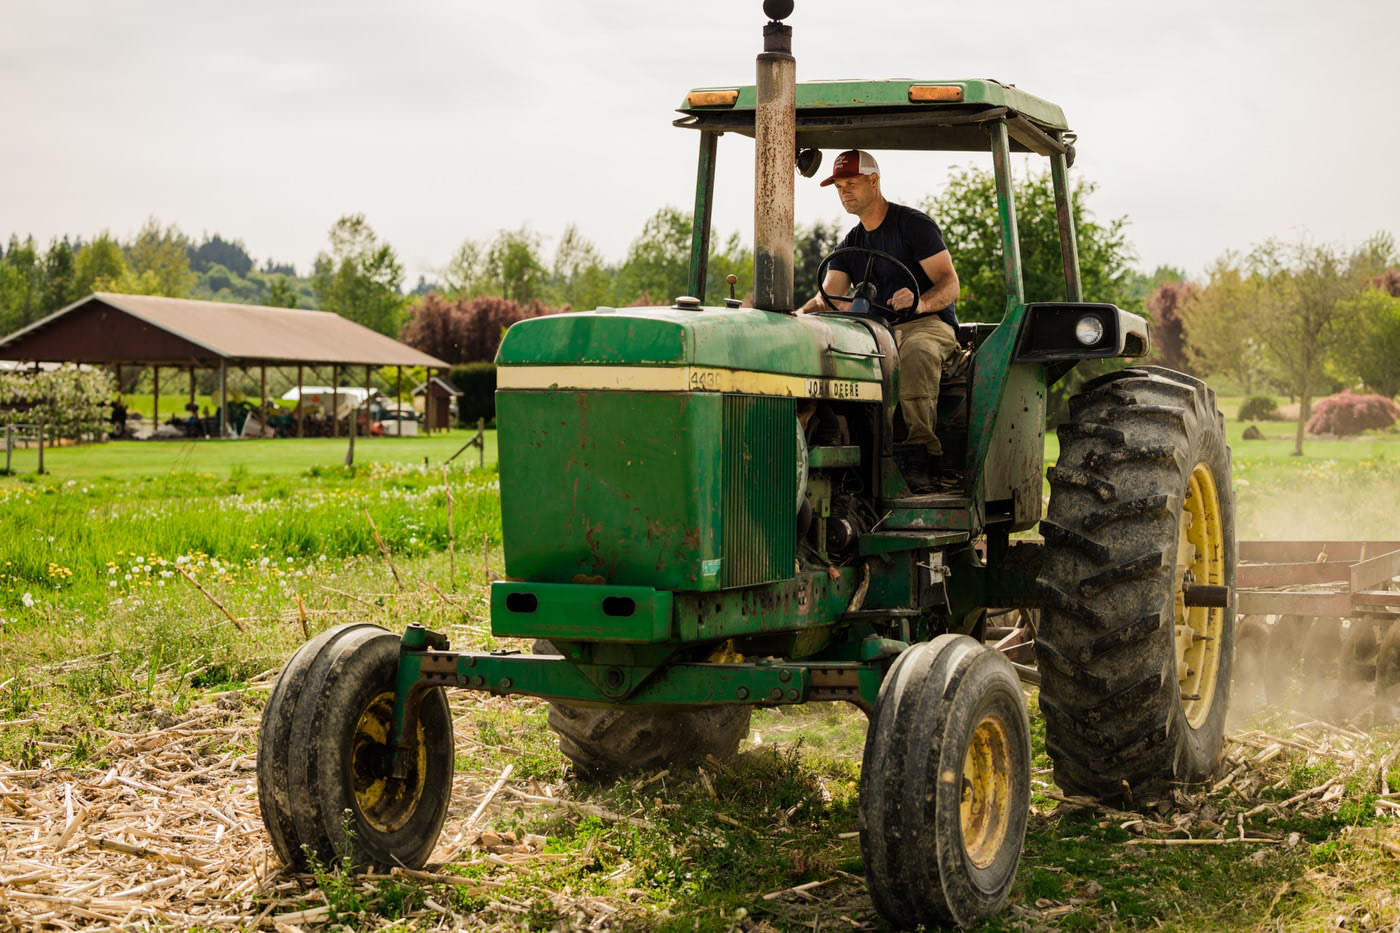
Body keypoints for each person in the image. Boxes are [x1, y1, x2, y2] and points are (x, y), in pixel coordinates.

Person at [796, 149, 961, 492]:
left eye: (851, 184)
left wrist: (920, 302)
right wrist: (793, 318)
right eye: (839, 187)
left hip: (925, 324)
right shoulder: (851, 243)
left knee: (915, 352)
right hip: (874, 332)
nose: (844, 192)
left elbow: (950, 284)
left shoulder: (913, 226)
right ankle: (849, 448)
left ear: (874, 181)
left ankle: (921, 455)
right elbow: (828, 297)